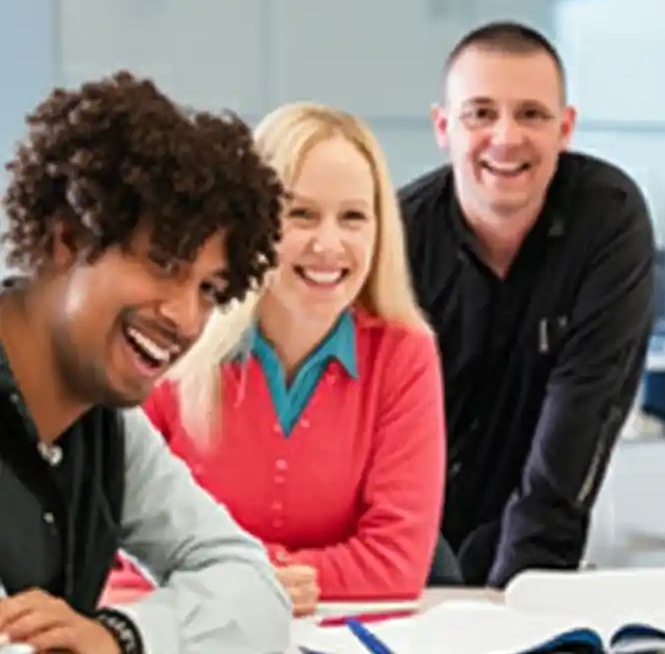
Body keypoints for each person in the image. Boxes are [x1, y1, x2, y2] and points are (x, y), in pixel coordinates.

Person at [102, 103, 447, 614]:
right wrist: (254, 580)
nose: (329, 244)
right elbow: (113, 545)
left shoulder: (404, 354)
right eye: (301, 214)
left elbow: (396, 564)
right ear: (253, 225)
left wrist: (234, 577)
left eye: (353, 217)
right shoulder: (175, 341)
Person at [0, 72, 291, 652]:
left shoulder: (108, 430)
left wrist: (122, 638)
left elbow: (255, 588)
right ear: (67, 240)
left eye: (210, 289)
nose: (186, 318)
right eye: (163, 264)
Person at [398, 21, 656, 587]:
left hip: (540, 529)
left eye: (531, 114)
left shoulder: (607, 221)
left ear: (566, 128)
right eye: (480, 113)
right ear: (443, 127)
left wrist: (519, 609)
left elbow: (584, 413)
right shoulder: (398, 237)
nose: (506, 137)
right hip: (408, 540)